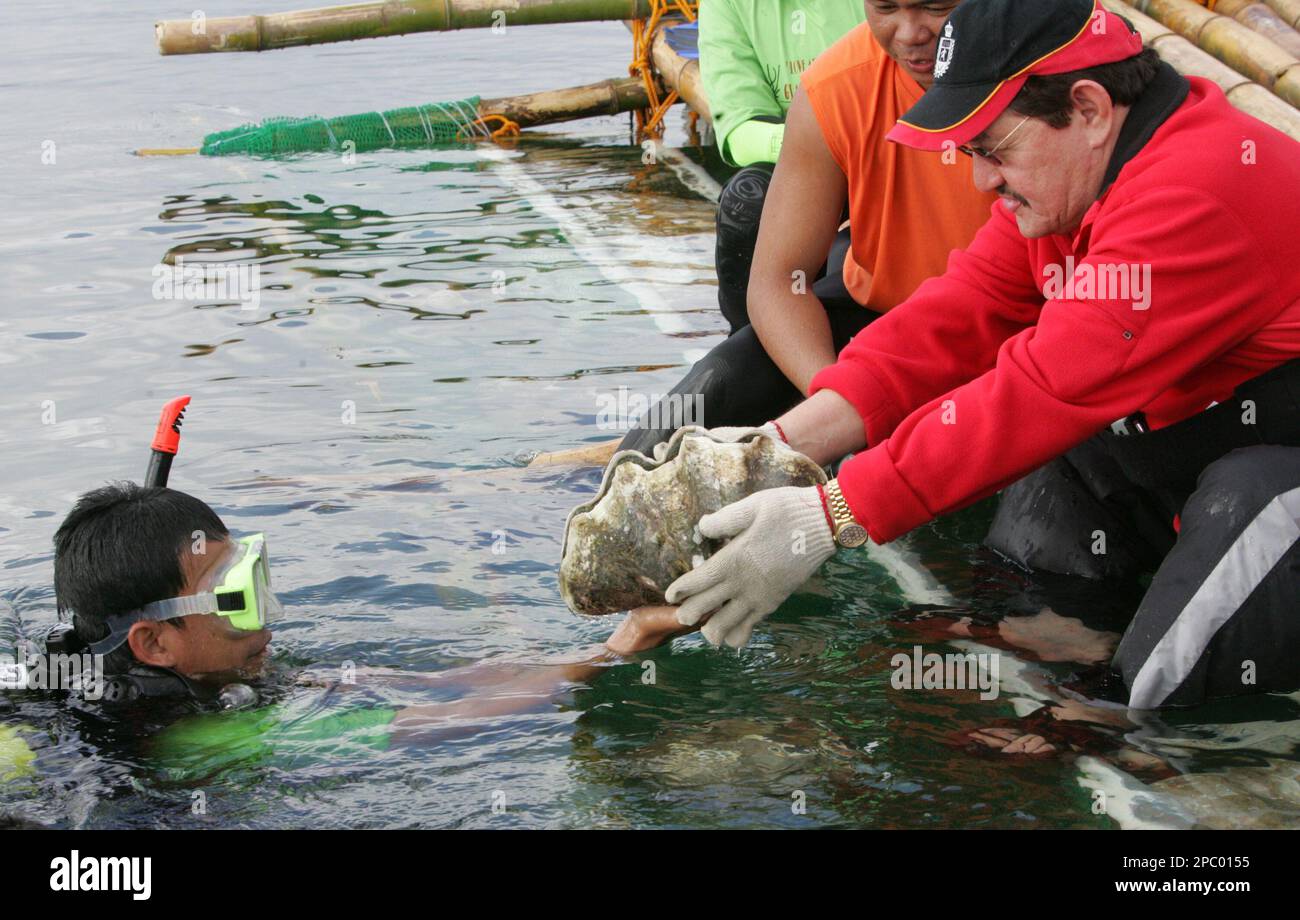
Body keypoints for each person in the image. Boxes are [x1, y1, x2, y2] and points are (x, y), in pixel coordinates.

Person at [661, 0, 1300, 711]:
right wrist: (774, 446)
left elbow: (1039, 391)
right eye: (971, 154)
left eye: (994, 150)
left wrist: (830, 514)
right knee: (1011, 593)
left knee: (1143, 698)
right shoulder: (1088, 174)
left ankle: (1122, 720)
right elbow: (962, 310)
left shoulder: (1194, 190)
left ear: (1087, 109)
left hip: (1276, 471)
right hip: (1210, 434)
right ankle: (1064, 645)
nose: (981, 182)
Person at [48, 482, 694, 759]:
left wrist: (603, 642)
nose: (267, 620)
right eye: (235, 598)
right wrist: (623, 645)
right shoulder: (191, 739)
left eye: (256, 579)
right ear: (155, 643)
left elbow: (442, 685)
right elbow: (433, 724)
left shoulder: (220, 668)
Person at [620, 0, 994, 455]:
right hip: (887, 318)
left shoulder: (1056, 78)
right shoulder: (835, 86)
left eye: (934, 7)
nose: (911, 34)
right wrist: (836, 399)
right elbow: (779, 281)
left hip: (1024, 330)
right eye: (885, 8)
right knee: (671, 424)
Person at [699, 0, 865, 330]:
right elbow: (739, 133)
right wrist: (819, 142)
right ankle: (750, 343)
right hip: (814, 161)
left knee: (845, 261)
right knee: (745, 202)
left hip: (884, 153)